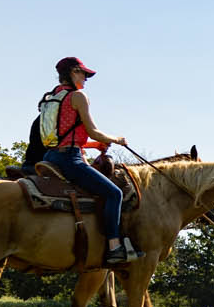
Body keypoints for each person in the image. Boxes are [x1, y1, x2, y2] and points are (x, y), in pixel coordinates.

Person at [37, 57, 140, 265]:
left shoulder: (52, 96)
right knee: (114, 193)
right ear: (73, 72)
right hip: (70, 159)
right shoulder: (78, 96)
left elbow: (66, 137)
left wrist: (94, 146)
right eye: (83, 73)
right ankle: (114, 247)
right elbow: (93, 131)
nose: (86, 78)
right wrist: (116, 140)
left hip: (51, 156)